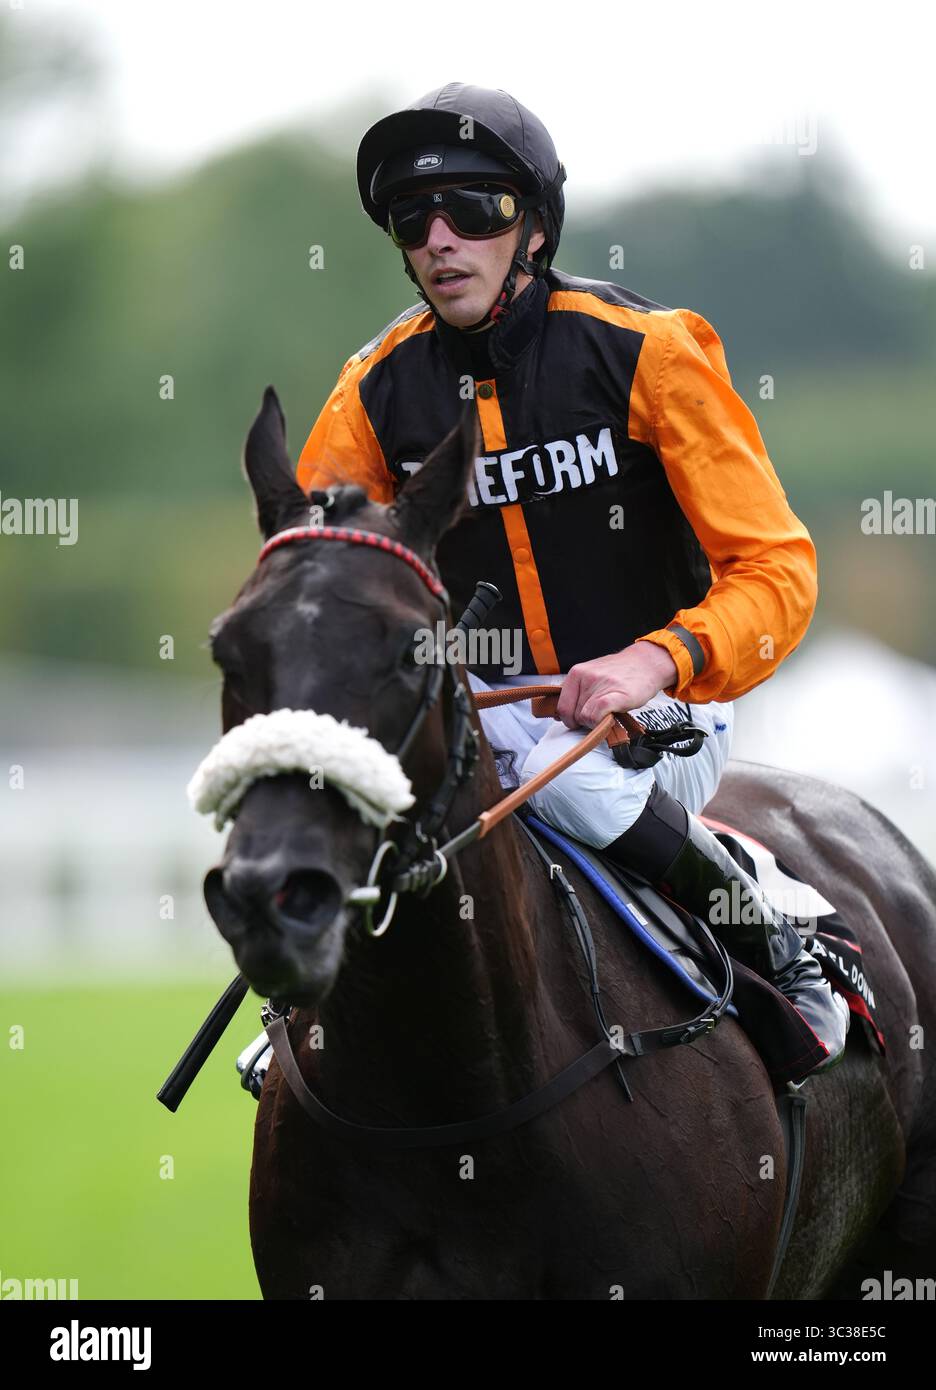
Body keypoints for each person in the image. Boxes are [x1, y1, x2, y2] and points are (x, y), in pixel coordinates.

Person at [295, 83, 849, 1074]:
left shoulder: (652, 352)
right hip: (475, 717)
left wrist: (654, 658)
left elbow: (779, 574)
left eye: (474, 209)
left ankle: (777, 939)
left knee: (570, 788)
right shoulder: (372, 391)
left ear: (534, 227)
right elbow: (319, 585)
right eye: (413, 221)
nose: (440, 239)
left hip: (656, 711)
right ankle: (311, 1025)